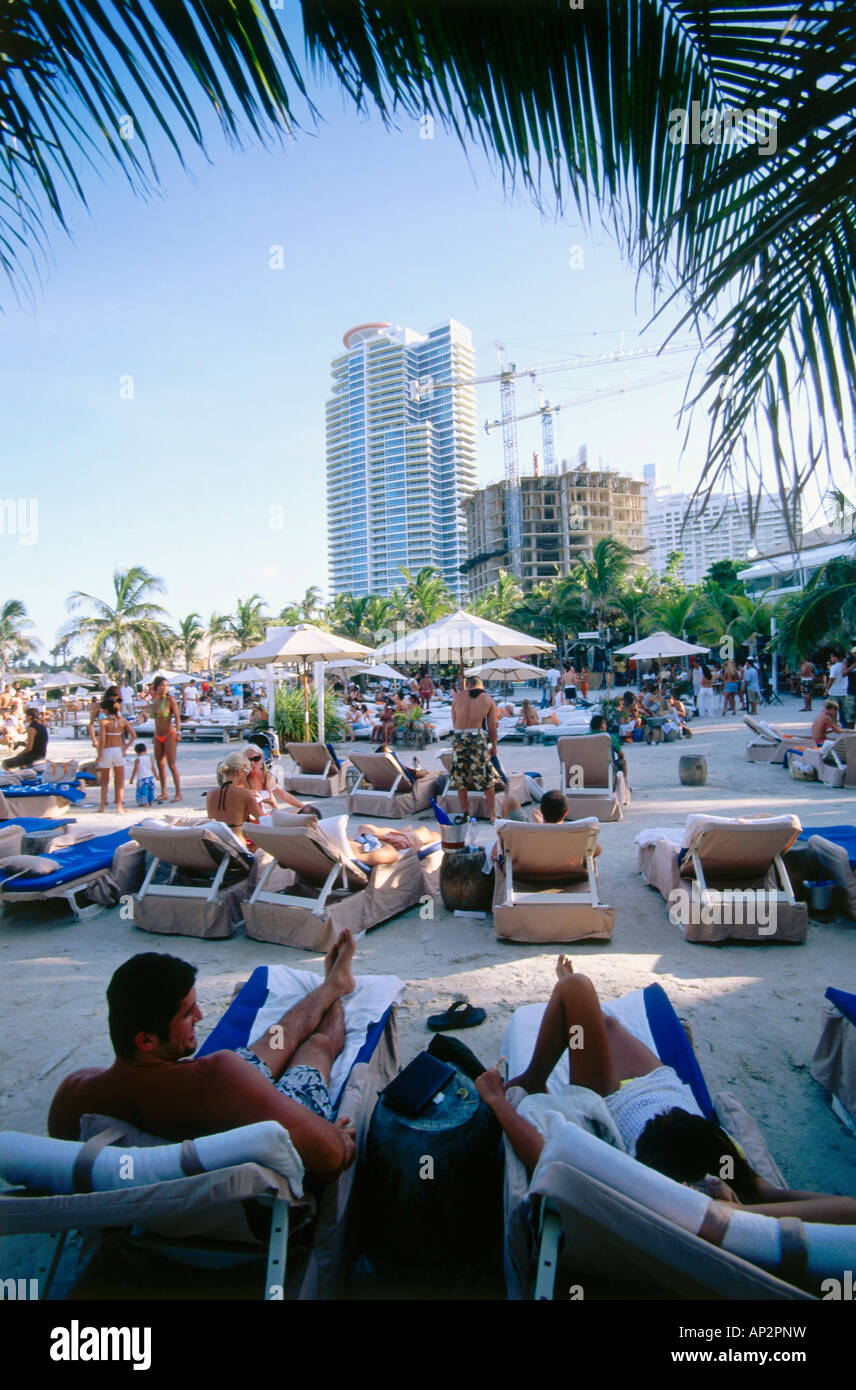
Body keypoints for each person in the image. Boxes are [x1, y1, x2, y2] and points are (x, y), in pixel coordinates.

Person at [474, 959, 856, 1223]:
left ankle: (536, 1076)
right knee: (602, 1021)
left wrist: (496, 1100)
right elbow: (850, 1212)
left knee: (577, 990)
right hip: (670, 1099)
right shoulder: (749, 1192)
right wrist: (742, 1211)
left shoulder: (652, 1193)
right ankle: (569, 1009)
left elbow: (550, 1156)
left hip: (616, 1101)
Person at [48, 943, 360, 1179]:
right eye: (187, 1013)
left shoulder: (74, 1096)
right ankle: (335, 995)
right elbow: (332, 1157)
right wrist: (338, 1140)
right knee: (314, 1046)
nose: (200, 1016)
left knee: (279, 1037)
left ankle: (331, 986)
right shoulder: (219, 1074)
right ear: (146, 1040)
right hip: (242, 1116)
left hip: (217, 1110)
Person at [449, 675, 499, 822]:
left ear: (468, 685)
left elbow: (454, 720)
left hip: (458, 737)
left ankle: (466, 813)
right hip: (476, 737)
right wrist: (494, 746)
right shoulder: (488, 700)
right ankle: (492, 814)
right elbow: (492, 728)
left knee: (460, 777)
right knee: (484, 775)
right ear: (481, 686)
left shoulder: (457, 697)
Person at [241, 743, 314, 815]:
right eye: (248, 760)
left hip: (273, 814)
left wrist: (303, 807)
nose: (252, 763)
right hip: (257, 817)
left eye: (256, 759)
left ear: (262, 758)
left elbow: (283, 795)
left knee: (307, 812)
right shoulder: (242, 778)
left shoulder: (266, 775)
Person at [206, 751, 262, 839]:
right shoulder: (244, 794)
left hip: (215, 843)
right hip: (236, 844)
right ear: (240, 771)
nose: (246, 777)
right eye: (246, 773)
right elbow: (263, 821)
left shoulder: (210, 793)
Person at [96, 693, 134, 813]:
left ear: (106, 710)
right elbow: (133, 735)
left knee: (104, 781)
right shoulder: (122, 720)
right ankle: (119, 806)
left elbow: (102, 740)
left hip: (107, 751)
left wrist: (99, 754)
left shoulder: (104, 722)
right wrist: (125, 748)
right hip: (118, 750)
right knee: (119, 781)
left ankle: (102, 806)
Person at [150, 675, 182, 802]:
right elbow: (156, 720)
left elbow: (177, 716)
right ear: (156, 687)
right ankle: (164, 792)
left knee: (171, 764)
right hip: (158, 734)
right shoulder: (155, 702)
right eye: (162, 686)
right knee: (160, 764)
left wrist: (179, 732)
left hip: (169, 733)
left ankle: (178, 793)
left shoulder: (170, 700)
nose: (164, 688)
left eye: (166, 686)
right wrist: (154, 736)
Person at [2, 705, 48, 771]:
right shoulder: (42, 726)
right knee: (21, 763)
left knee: (5, 763)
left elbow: (29, 748)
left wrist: (19, 754)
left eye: (25, 716)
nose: (24, 717)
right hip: (42, 755)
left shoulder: (31, 729)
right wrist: (21, 743)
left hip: (33, 756)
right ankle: (22, 774)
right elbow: (36, 743)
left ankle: (16, 775)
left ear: (30, 716)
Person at [589, 712, 629, 777]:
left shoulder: (584, 737)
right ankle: (624, 784)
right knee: (622, 762)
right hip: (607, 769)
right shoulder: (609, 737)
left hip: (587, 768)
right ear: (602, 725)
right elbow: (621, 755)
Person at [129, 741, 157, 807]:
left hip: (142, 778)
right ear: (145, 750)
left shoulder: (138, 759)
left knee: (142, 791)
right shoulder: (149, 758)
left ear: (136, 752)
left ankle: (144, 803)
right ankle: (150, 802)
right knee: (150, 791)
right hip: (150, 777)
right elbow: (153, 768)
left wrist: (131, 779)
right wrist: (156, 776)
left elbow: (135, 769)